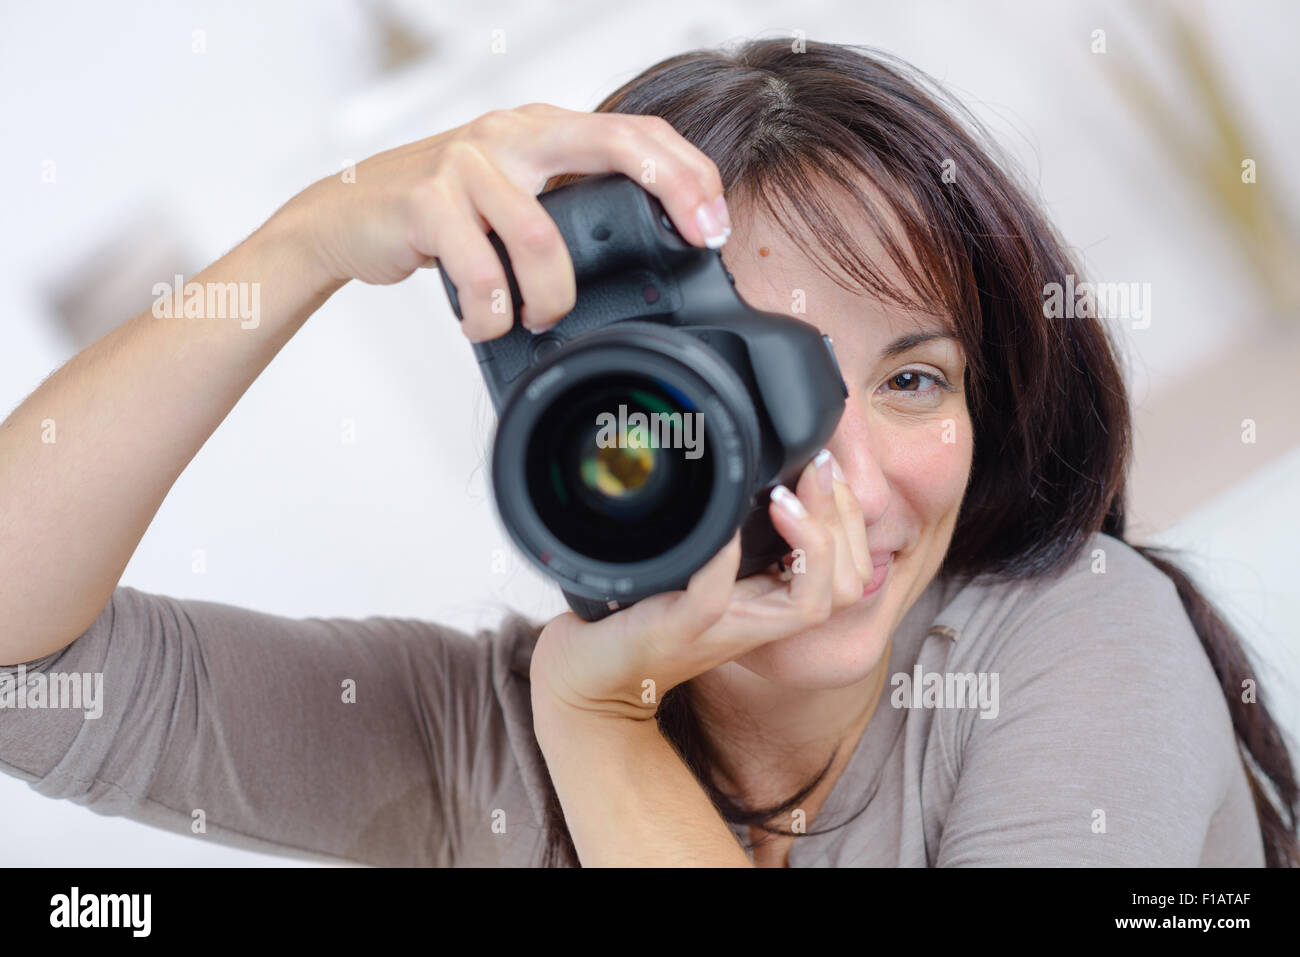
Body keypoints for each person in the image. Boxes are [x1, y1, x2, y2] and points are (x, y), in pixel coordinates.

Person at [1, 38, 1294, 868]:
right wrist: (309, 239)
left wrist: (601, 722)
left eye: (911, 378)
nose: (835, 472)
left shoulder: (1074, 642)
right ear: (592, 411)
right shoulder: (476, 743)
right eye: (746, 381)